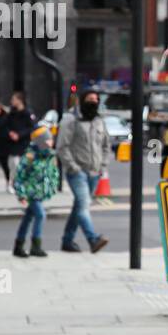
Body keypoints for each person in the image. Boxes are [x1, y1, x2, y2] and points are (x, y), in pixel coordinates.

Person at [56, 87, 111, 253]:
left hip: (94, 172)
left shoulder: (99, 121)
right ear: (82, 100)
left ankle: (67, 241)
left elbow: (106, 146)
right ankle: (93, 239)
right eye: (90, 99)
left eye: (96, 100)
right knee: (83, 205)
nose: (93, 102)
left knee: (78, 207)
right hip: (77, 171)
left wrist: (103, 166)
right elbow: (62, 146)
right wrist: (73, 167)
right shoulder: (70, 120)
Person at [12, 123, 61, 258]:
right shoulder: (30, 157)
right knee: (40, 215)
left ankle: (18, 245)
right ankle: (36, 246)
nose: (51, 142)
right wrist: (21, 194)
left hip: (40, 193)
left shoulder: (49, 156)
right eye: (48, 139)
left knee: (28, 218)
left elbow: (52, 174)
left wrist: (52, 187)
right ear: (40, 141)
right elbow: (19, 177)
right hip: (30, 192)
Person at [5, 92, 36, 180]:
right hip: (13, 142)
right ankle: (14, 181)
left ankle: (20, 181)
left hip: (24, 142)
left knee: (22, 163)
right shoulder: (12, 113)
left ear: (20, 100)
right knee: (13, 163)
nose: (12, 101)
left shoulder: (27, 113)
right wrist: (10, 133)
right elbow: (6, 125)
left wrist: (19, 135)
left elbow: (31, 127)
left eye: (14, 99)